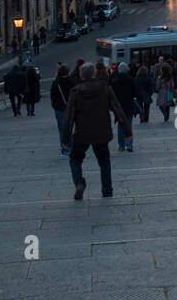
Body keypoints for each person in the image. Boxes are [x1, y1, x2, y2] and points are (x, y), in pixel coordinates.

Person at [62, 62, 132, 199]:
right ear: (93, 73)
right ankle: (107, 190)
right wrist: (127, 132)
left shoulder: (76, 92)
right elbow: (117, 109)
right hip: (102, 132)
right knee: (104, 162)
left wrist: (65, 139)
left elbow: (68, 117)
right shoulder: (105, 89)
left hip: (82, 133)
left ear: (81, 75)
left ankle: (79, 183)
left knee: (75, 159)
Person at [111, 62, 139, 152]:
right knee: (129, 125)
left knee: (120, 126)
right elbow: (135, 93)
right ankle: (129, 145)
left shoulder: (114, 82)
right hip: (129, 105)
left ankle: (121, 145)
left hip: (119, 107)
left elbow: (112, 95)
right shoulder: (131, 80)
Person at [50, 64, 74, 155]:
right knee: (70, 128)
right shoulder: (72, 81)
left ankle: (65, 149)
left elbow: (53, 96)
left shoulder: (56, 82)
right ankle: (72, 147)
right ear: (68, 72)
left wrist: (55, 106)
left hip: (59, 108)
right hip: (71, 108)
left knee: (61, 129)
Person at [154, 55, 176, 122]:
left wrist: (156, 89)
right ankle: (167, 116)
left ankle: (165, 115)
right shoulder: (170, 77)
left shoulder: (159, 77)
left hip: (162, 92)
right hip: (169, 92)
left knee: (161, 105)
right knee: (168, 105)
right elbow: (173, 85)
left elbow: (157, 85)